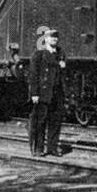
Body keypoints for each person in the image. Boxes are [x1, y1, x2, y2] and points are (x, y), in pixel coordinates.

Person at [27, 26, 67, 156]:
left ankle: (52, 148)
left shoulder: (61, 54)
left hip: (57, 93)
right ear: (46, 39)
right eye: (51, 37)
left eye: (56, 37)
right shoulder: (39, 54)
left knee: (55, 122)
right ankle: (38, 148)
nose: (54, 39)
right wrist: (34, 93)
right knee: (40, 122)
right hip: (43, 93)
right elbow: (33, 75)